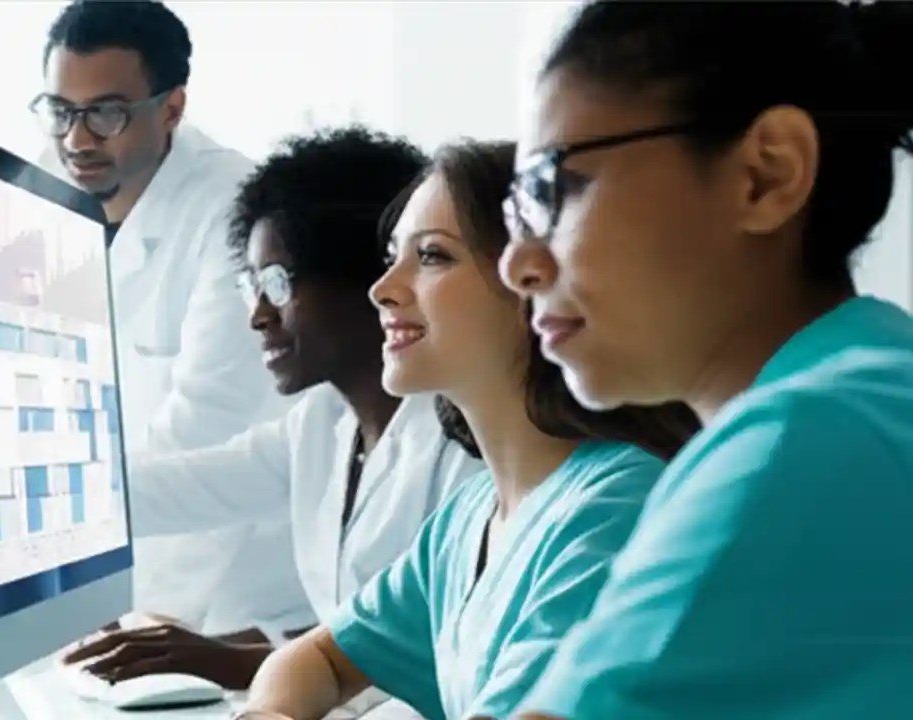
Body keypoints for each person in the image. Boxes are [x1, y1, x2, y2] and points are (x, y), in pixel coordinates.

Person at [495, 2, 913, 719]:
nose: (517, 265)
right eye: (517, 212)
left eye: (552, 189)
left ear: (766, 174)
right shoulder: (871, 382)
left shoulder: (806, 437)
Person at [237, 140, 700, 720]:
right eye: (391, 256)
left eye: (431, 256)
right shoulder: (468, 518)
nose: (382, 289)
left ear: (534, 278)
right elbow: (317, 659)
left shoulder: (614, 507)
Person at [60, 128, 484, 704]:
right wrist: (33, 491)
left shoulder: (466, 445)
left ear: (366, 279)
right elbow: (186, 486)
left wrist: (233, 661)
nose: (258, 315)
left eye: (278, 283)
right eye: (251, 285)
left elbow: (441, 660)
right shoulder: (321, 424)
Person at [31, 0, 306, 636]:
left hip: (222, 585)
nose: (77, 139)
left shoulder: (235, 207)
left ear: (172, 108)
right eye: (60, 112)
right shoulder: (42, 187)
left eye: (106, 113)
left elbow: (205, 422)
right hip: (98, 559)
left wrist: (56, 522)